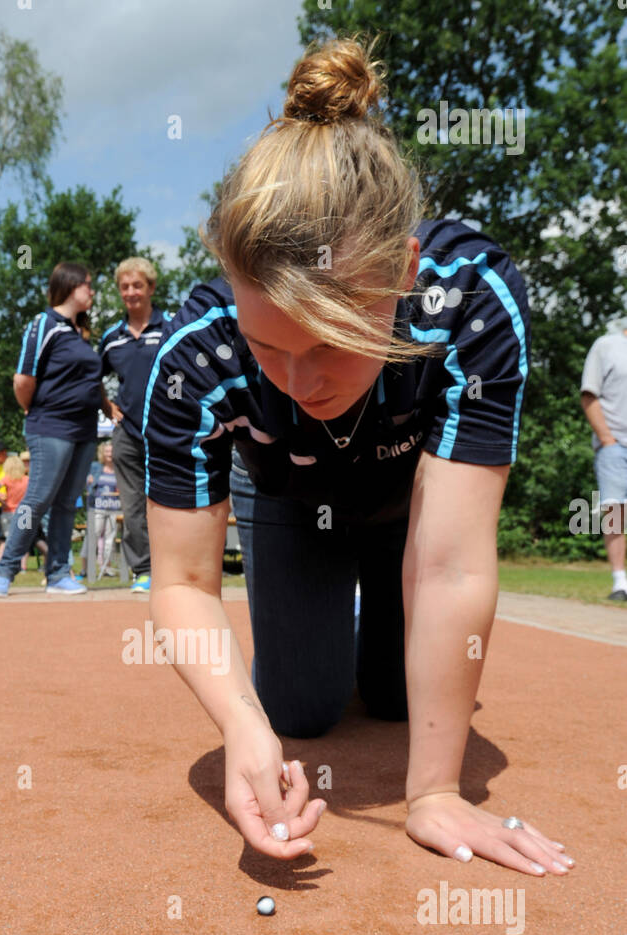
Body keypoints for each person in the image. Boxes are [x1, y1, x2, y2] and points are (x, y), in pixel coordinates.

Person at [142, 37, 574, 880]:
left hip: (413, 511)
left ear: (404, 272)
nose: (301, 381)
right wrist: (242, 727)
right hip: (292, 504)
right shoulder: (193, 357)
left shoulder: (472, 299)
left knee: (401, 699)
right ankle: (316, 621)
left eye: (333, 342)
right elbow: (184, 583)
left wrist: (435, 792)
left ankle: (380, 622)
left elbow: (451, 565)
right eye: (269, 345)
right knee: (297, 710)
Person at [0, 262, 103, 597]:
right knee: (36, 499)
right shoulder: (44, 323)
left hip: (84, 429)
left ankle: (58, 574)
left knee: (67, 502)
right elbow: (23, 379)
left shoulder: (79, 332)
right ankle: (4, 572)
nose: (92, 292)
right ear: (70, 286)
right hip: (50, 426)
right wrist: (31, 409)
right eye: (88, 285)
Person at [99, 258, 171, 593]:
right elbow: (91, 375)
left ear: (151, 288)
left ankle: (174, 568)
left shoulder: (171, 325)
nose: (131, 292)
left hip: (168, 430)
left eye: (137, 285)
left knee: (170, 499)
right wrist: (106, 405)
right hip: (126, 432)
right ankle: (143, 570)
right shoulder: (111, 337)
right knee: (133, 504)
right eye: (125, 287)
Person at [580, 323, 627, 601]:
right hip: (615, 444)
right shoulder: (606, 345)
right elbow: (589, 394)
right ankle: (620, 582)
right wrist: (607, 438)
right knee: (615, 513)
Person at [91, 443, 121, 577]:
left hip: (114, 508)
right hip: (98, 508)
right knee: (95, 535)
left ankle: (106, 567)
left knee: (110, 538)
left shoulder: (119, 469)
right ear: (102, 453)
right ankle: (91, 566)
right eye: (107, 452)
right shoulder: (97, 468)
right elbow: (89, 485)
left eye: (111, 451)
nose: (109, 454)